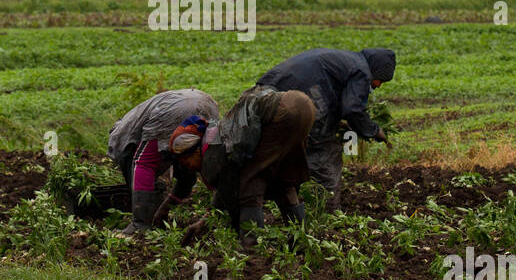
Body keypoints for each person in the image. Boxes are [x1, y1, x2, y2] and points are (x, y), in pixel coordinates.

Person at [162, 86, 315, 247]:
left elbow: (230, 193)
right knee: (283, 181)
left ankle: (252, 247)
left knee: (250, 183)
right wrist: (205, 220)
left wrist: (236, 226)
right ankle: (301, 241)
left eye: (186, 161)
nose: (189, 167)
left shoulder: (213, 152)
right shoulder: (218, 137)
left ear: (196, 150)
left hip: (284, 112)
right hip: (303, 104)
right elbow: (224, 187)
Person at [255, 47, 395, 210]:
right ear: (376, 71)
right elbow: (353, 109)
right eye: (380, 81)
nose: (378, 86)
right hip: (293, 103)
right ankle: (328, 211)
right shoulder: (362, 71)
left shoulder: (346, 59)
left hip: (265, 93)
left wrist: (340, 121)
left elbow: (332, 97)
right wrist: (373, 130)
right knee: (325, 152)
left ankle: (275, 200)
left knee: (279, 153)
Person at [106, 88, 220, 236]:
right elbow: (187, 176)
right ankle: (222, 208)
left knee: (143, 163)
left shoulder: (121, 136)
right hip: (206, 102)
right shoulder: (136, 119)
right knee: (199, 157)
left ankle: (140, 225)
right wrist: (166, 207)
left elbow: (139, 165)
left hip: (172, 111)